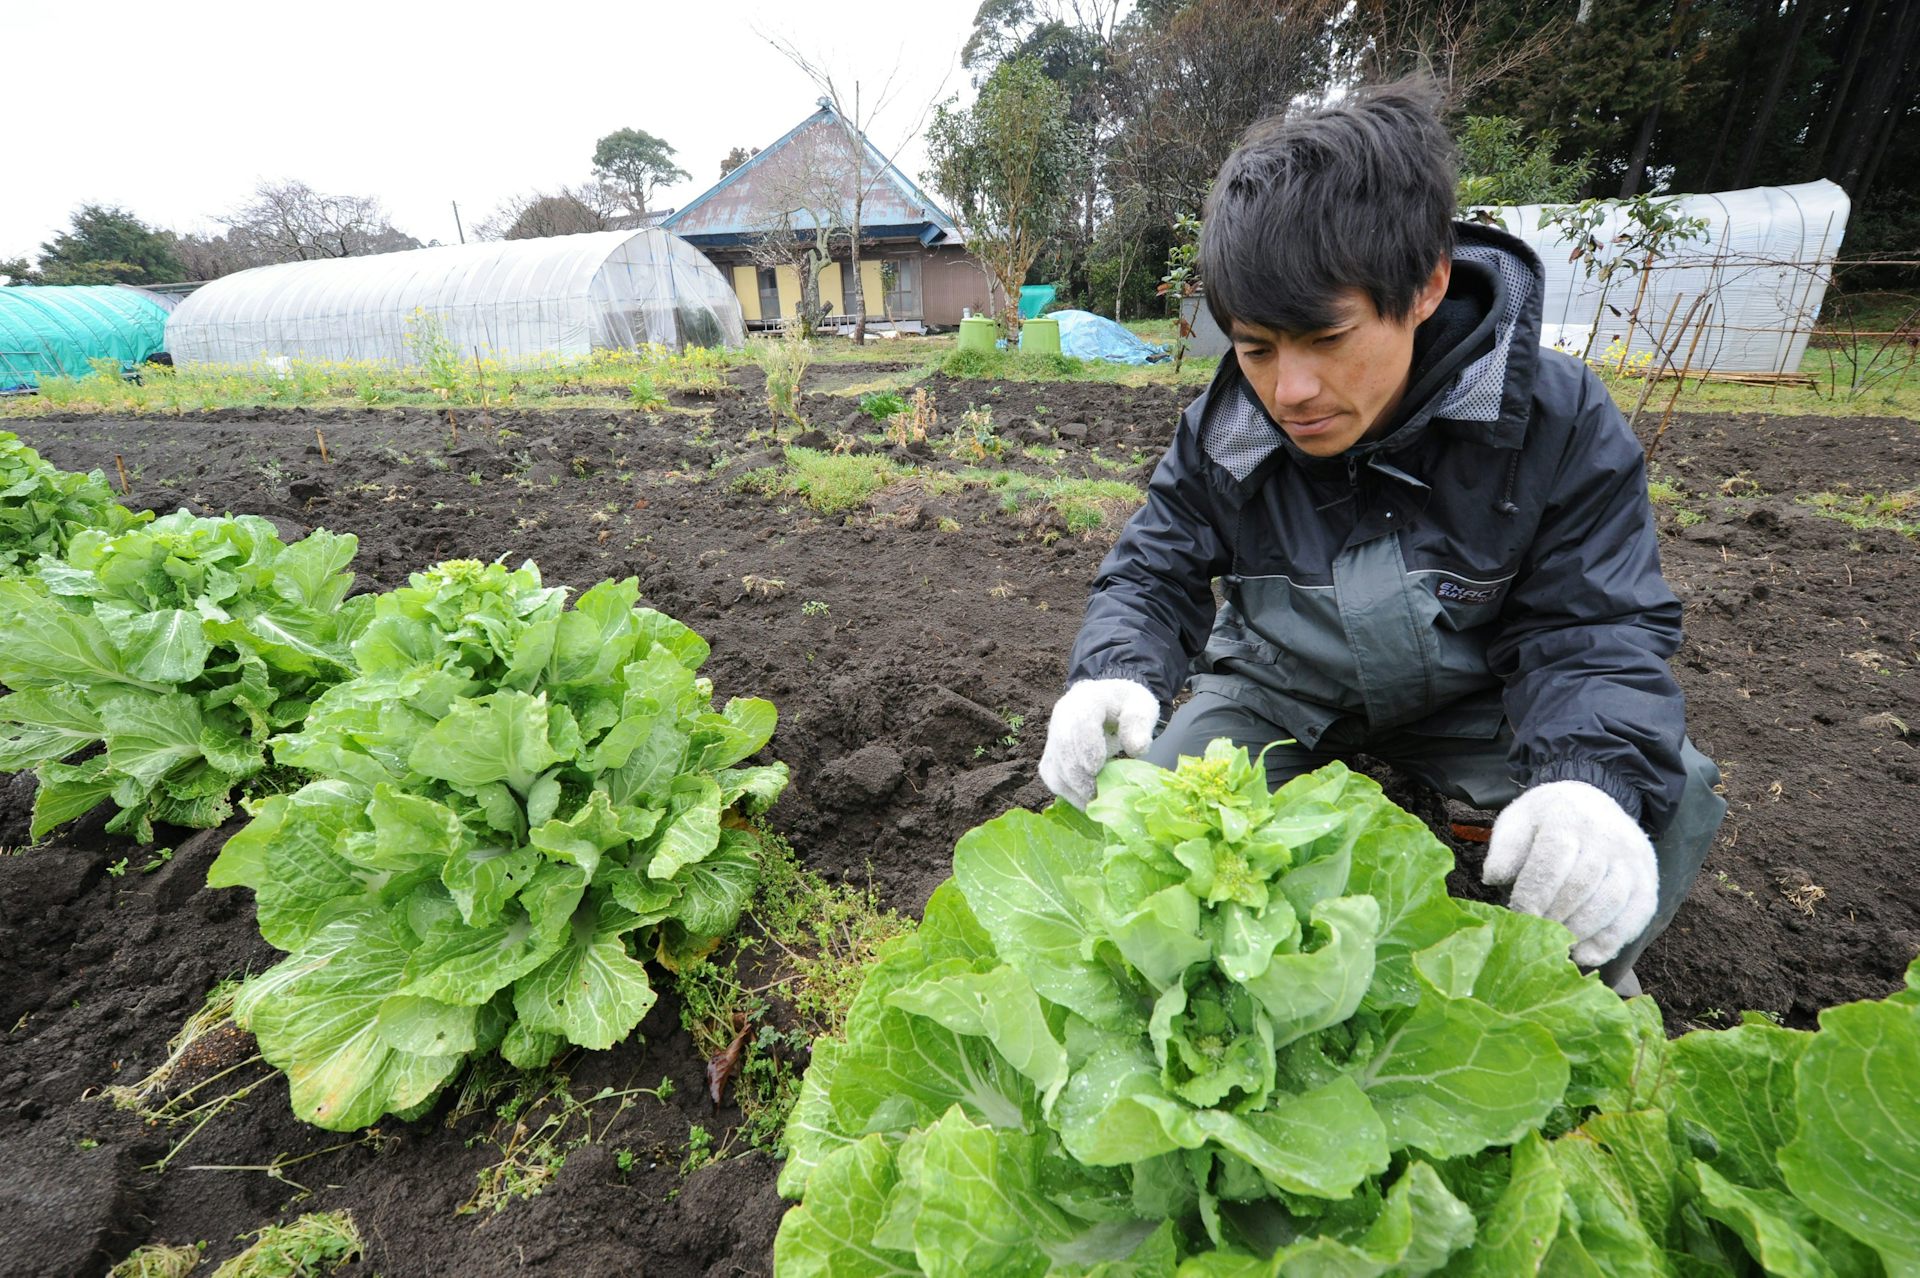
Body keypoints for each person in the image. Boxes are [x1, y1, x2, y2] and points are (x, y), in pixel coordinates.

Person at [1037, 79, 1725, 994]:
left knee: (1653, 804)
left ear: (1427, 283)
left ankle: (1569, 1000)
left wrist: (1587, 779)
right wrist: (1114, 671)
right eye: (1256, 347)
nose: (1290, 393)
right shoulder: (1229, 426)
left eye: (1325, 338)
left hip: (1476, 695)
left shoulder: (1555, 419)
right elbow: (1154, 568)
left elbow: (1591, 629)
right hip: (1281, 687)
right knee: (1156, 820)